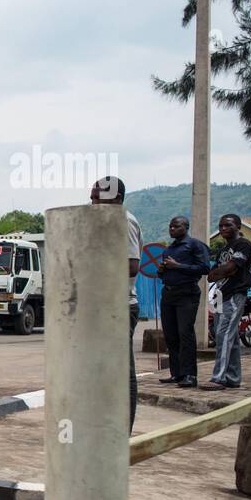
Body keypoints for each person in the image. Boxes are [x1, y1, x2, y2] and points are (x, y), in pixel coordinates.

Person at [89, 176, 142, 430]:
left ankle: (124, 432)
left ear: (117, 199)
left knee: (122, 372)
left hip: (120, 307)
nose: (92, 202)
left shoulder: (124, 222)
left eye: (98, 197)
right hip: (102, 307)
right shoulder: (100, 225)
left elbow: (132, 266)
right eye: (91, 197)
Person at [156, 215, 210, 389]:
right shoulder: (168, 249)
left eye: (176, 226)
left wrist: (177, 266)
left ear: (185, 227)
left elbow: (204, 268)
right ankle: (176, 374)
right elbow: (165, 273)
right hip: (169, 294)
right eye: (170, 226)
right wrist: (162, 270)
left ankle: (190, 375)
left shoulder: (195, 245)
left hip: (187, 293)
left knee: (185, 333)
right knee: (171, 335)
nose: (171, 229)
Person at [204, 213, 251, 390]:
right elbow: (211, 276)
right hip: (220, 295)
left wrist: (225, 270)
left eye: (228, 225)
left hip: (235, 294)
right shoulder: (222, 251)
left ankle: (218, 378)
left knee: (223, 334)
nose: (223, 229)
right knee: (230, 337)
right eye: (220, 226)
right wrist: (224, 270)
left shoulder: (244, 244)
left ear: (238, 226)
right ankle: (233, 378)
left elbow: (233, 267)